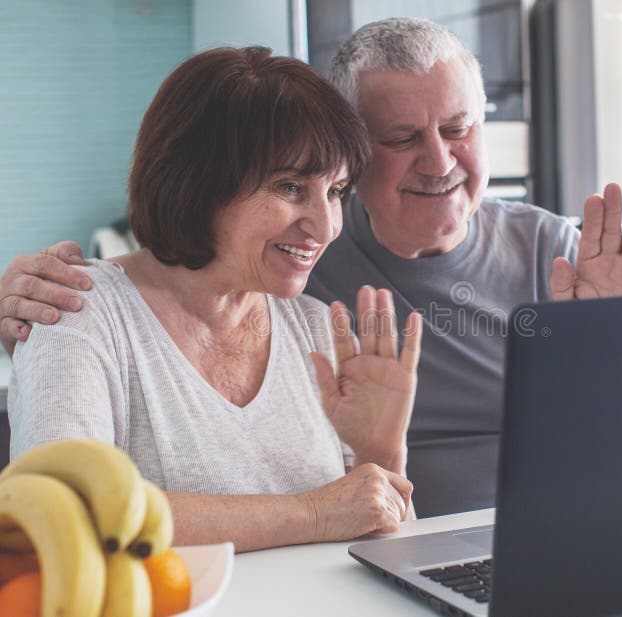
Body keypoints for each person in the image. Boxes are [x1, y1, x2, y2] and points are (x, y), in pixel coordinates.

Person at [0, 19, 622, 517]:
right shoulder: (94, 308)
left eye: (460, 127)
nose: (324, 224)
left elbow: (380, 509)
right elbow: (59, 510)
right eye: (402, 138)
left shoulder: (322, 319)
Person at [6, 46, 425, 553]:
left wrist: (381, 453)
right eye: (291, 187)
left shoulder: (316, 328)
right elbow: (62, 513)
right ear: (196, 185)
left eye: (335, 190)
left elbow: (386, 548)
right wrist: (315, 512)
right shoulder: (76, 311)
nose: (325, 224)